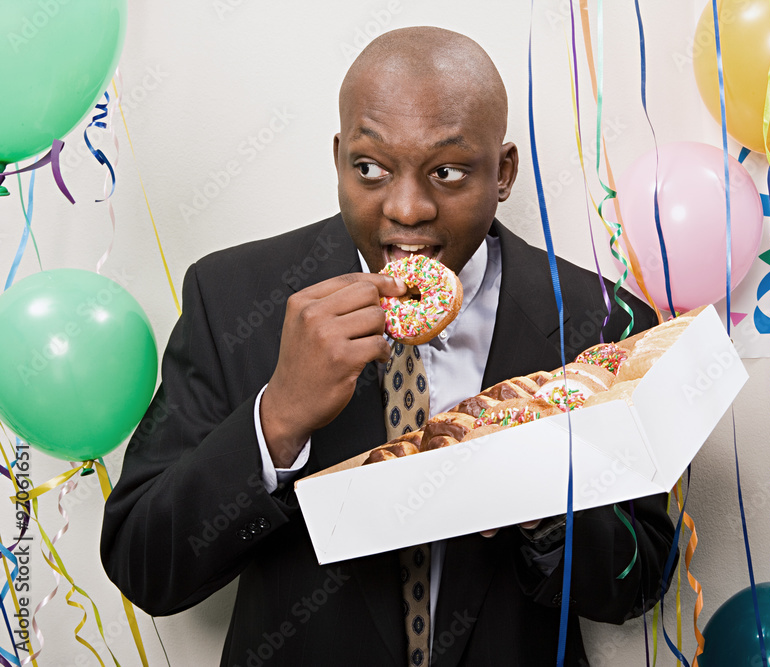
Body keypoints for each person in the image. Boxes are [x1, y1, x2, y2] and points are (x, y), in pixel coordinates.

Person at [101, 26, 674, 666]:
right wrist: (278, 417)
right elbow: (144, 567)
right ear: (339, 159)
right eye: (370, 169)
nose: (406, 209)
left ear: (504, 172)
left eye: (447, 172)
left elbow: (642, 580)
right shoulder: (232, 297)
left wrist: (540, 500)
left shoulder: (603, 321)